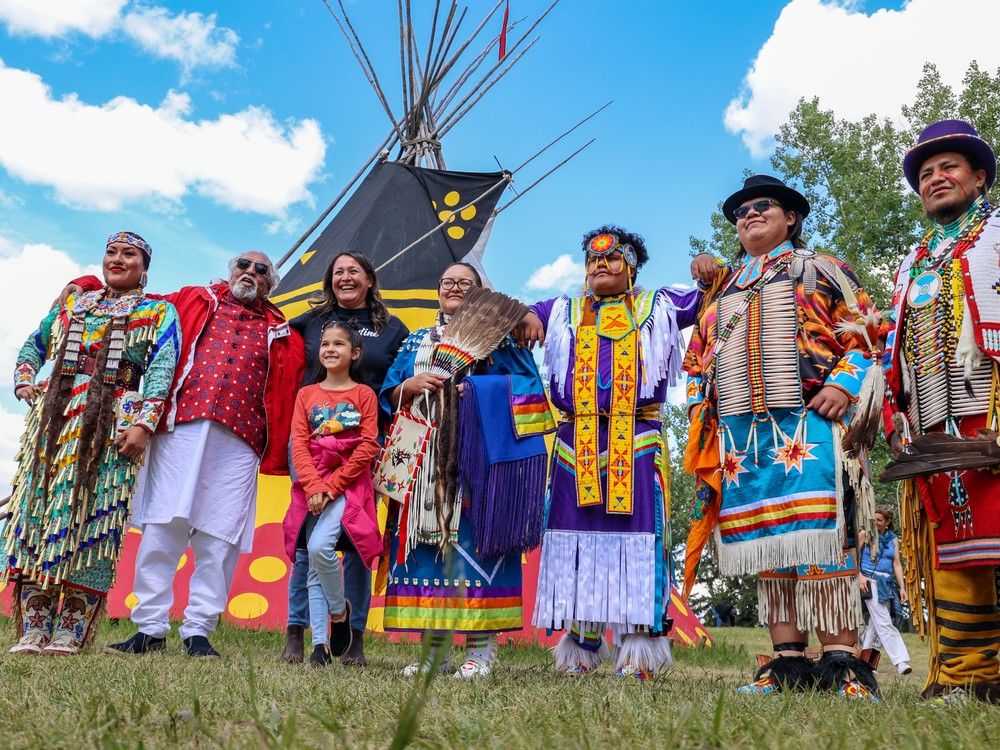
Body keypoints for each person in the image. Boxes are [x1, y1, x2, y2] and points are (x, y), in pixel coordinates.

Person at [684, 175, 883, 700]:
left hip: (810, 422)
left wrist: (842, 384)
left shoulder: (820, 268)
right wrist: (703, 407)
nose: (749, 215)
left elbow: (866, 333)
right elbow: (696, 358)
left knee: (823, 539)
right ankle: (786, 664)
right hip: (740, 436)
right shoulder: (724, 287)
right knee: (765, 544)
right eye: (741, 210)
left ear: (790, 217)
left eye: (761, 206)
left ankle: (843, 664)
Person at [57, 252, 306, 658]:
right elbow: (138, 302)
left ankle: (199, 631)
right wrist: (87, 283)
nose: (250, 273)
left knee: (218, 537)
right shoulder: (192, 299)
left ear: (270, 284)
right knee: (161, 528)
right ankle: (150, 628)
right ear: (231, 270)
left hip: (240, 442)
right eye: (244, 264)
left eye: (262, 270)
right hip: (179, 429)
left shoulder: (284, 333)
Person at [519, 226, 712, 680]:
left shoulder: (658, 305)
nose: (600, 265)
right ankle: (582, 648)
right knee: (574, 540)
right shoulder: (563, 311)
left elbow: (715, 298)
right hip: (573, 445)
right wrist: (523, 318)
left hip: (638, 437)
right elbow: (518, 316)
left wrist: (708, 269)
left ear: (633, 267)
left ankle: (639, 651)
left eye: (611, 258)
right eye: (592, 259)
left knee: (641, 538)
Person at [3, 232, 179, 655]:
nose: (117, 260)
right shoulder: (74, 304)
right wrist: (24, 378)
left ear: (144, 266)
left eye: (129, 254)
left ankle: (72, 627)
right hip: (54, 421)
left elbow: (162, 365)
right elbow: (34, 342)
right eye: (111, 252)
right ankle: (34, 625)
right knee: (38, 511)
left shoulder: (158, 310)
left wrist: (143, 424)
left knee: (96, 516)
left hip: (113, 418)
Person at [380, 262, 554, 678]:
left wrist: (474, 391)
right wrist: (409, 387)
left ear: (479, 293)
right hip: (422, 461)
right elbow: (390, 391)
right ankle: (431, 655)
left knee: (476, 549)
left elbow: (530, 392)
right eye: (447, 282)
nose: (454, 288)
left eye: (465, 283)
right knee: (425, 552)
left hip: (478, 459)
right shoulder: (417, 341)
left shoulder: (500, 339)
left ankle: (482, 652)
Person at [883, 119, 1000, 702]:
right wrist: (895, 410)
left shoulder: (996, 237)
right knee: (956, 546)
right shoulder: (914, 262)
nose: (936, 179)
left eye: (949, 167)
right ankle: (968, 674)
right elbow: (895, 344)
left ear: (979, 177)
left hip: (989, 409)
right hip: (932, 425)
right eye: (926, 174)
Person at [281, 251, 409, 666]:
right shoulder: (310, 321)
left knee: (354, 542)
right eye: (338, 272)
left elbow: (399, 378)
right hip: (309, 450)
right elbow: (269, 329)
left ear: (370, 279)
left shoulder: (391, 328)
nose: (346, 277)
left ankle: (353, 638)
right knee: (306, 542)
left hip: (362, 450)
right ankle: (298, 635)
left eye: (354, 270)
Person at [283, 321, 380, 667]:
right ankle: (319, 647)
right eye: (325, 343)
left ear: (354, 353)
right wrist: (312, 486)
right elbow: (299, 444)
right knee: (311, 565)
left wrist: (332, 487)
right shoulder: (306, 395)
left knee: (320, 547)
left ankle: (340, 612)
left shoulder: (363, 394)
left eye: (339, 343)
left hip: (349, 486)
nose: (330, 349)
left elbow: (368, 446)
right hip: (311, 486)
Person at [859, 506, 911, 675]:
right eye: (873, 520)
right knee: (884, 622)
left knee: (875, 625)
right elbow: (853, 556)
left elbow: (896, 563)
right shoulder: (864, 535)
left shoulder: (893, 539)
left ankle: (864, 664)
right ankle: (901, 661)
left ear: (887, 522)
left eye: (879, 520)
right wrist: (859, 576)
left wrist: (902, 587)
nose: (875, 523)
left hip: (886, 583)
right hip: (869, 581)